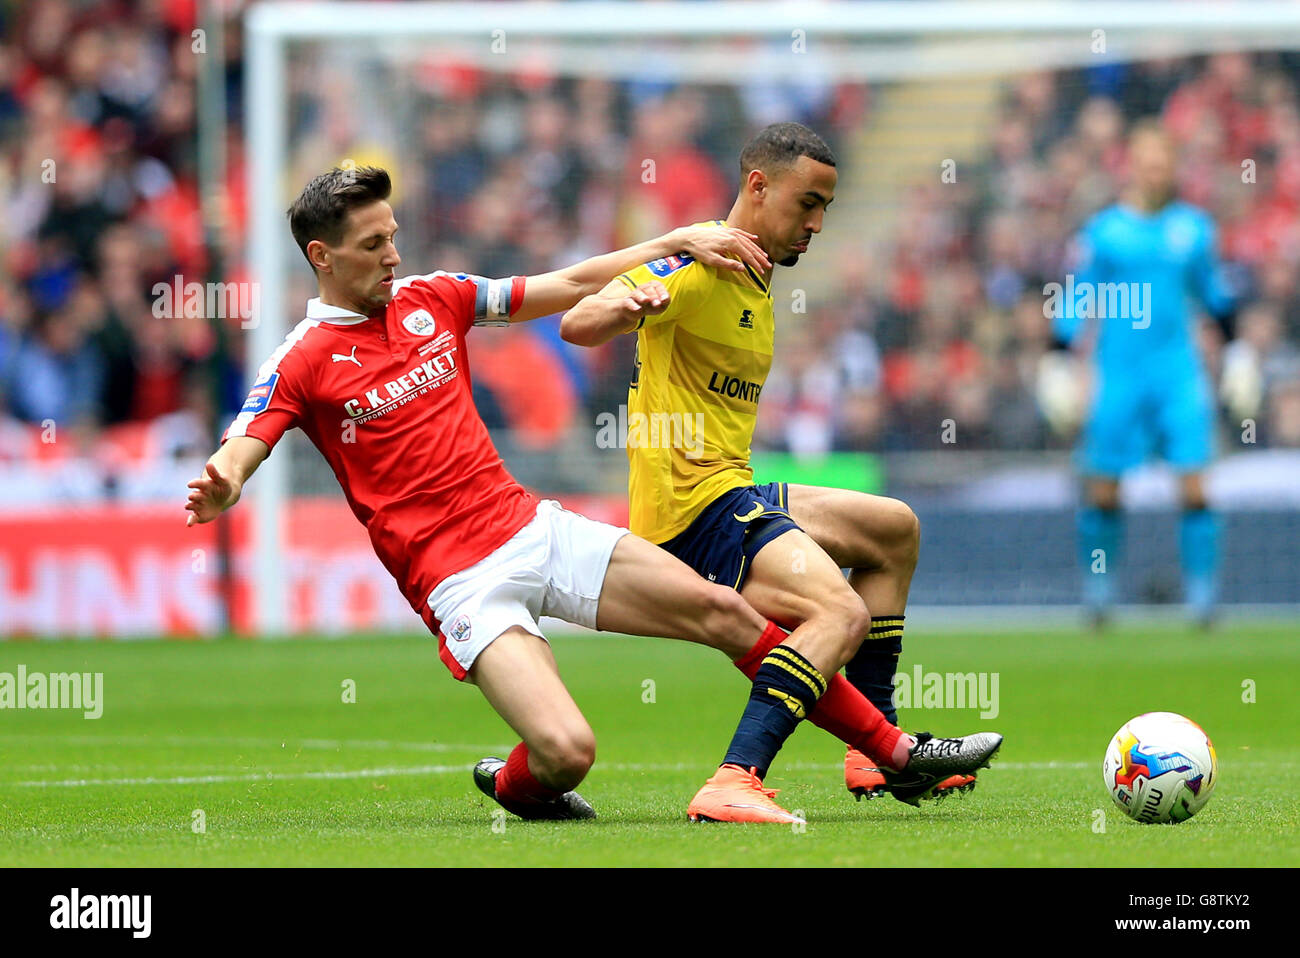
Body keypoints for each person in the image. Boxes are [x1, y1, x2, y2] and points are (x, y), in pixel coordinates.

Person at [186, 165, 995, 824]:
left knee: (732, 616)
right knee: (568, 754)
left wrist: (677, 241)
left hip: (531, 526)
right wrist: (226, 477)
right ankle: (513, 786)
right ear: (322, 257)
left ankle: (890, 755)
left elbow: (568, 282)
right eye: (372, 245)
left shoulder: (435, 298)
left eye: (394, 236)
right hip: (460, 581)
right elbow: (249, 436)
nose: (394, 256)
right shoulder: (304, 356)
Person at [561, 123, 1002, 819]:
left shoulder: (754, 276)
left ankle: (872, 754)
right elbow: (579, 322)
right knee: (837, 612)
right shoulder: (701, 265)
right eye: (808, 203)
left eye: (827, 205)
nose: (818, 223)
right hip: (691, 510)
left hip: (729, 488)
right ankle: (734, 779)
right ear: (758, 187)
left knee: (893, 529)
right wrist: (625, 303)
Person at [1047, 122, 1238, 629]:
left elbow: (1215, 295)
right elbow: (1079, 295)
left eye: (1163, 160)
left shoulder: (1193, 229)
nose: (1155, 169)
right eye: (1146, 159)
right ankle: (1100, 594)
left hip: (1179, 374)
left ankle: (1203, 600)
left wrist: (1238, 354)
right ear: (1131, 165)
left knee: (1195, 487)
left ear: (1173, 165)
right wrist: (1060, 355)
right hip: (1119, 376)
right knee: (1104, 490)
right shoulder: (1105, 232)